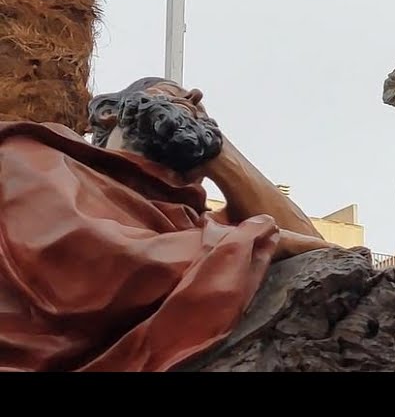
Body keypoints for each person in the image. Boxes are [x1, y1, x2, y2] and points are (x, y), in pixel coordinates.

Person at [0, 77, 335, 371]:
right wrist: (260, 242)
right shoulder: (30, 157)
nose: (197, 96)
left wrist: (215, 148)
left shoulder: (191, 228)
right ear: (109, 113)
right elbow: (79, 265)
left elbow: (318, 265)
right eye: (171, 92)